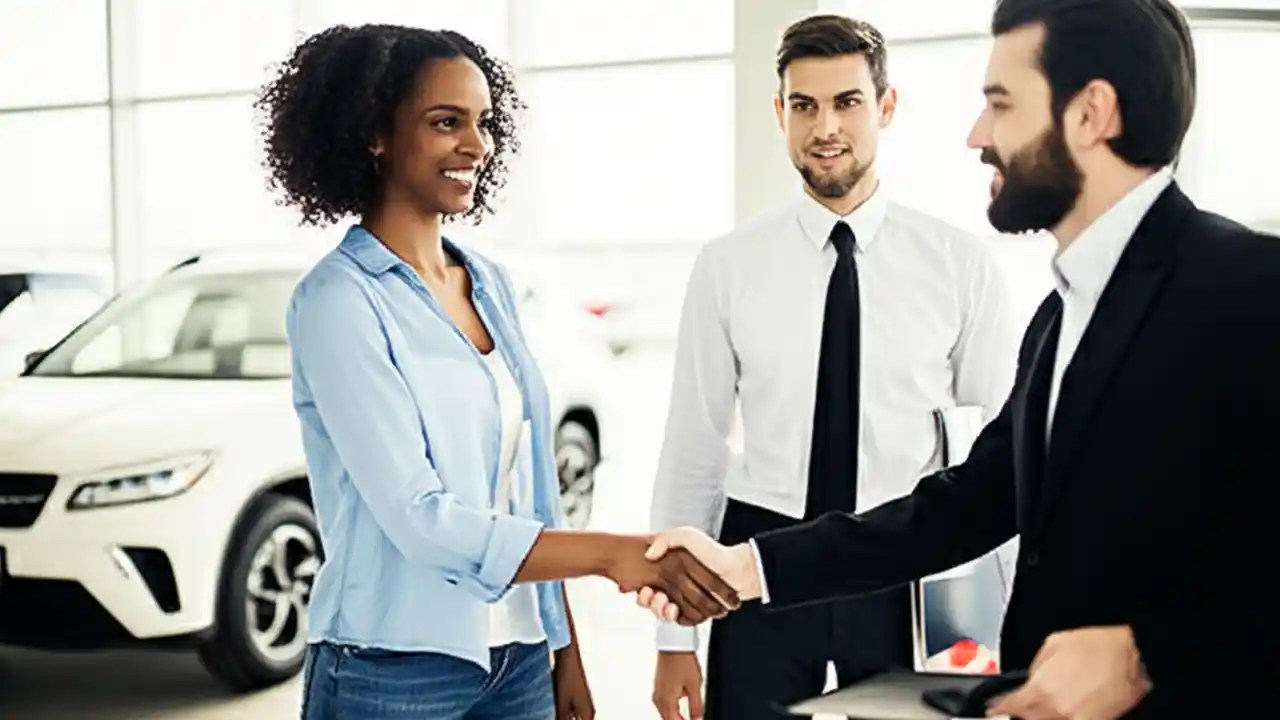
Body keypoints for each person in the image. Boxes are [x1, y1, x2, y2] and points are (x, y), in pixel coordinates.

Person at [643, 1, 1279, 718]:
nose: (979, 135)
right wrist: (751, 565)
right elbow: (971, 503)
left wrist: (1146, 653)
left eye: (1001, 105)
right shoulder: (1058, 321)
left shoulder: (1253, 292)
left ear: (1091, 114)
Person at [255, 24, 738, 720]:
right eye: (445, 122)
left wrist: (563, 647)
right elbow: (419, 519)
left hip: (516, 661)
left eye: (482, 123)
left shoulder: (488, 282)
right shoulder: (339, 302)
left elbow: (532, 488)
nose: (476, 145)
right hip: (390, 671)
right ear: (375, 133)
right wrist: (612, 554)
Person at [645, 14, 1018, 720]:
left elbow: (995, 458)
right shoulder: (727, 266)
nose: (826, 128)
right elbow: (693, 451)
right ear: (779, 112)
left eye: (847, 102)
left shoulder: (960, 264)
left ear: (885, 106)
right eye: (805, 105)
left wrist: (997, 631)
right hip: (757, 562)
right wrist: (674, 638)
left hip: (904, 563)